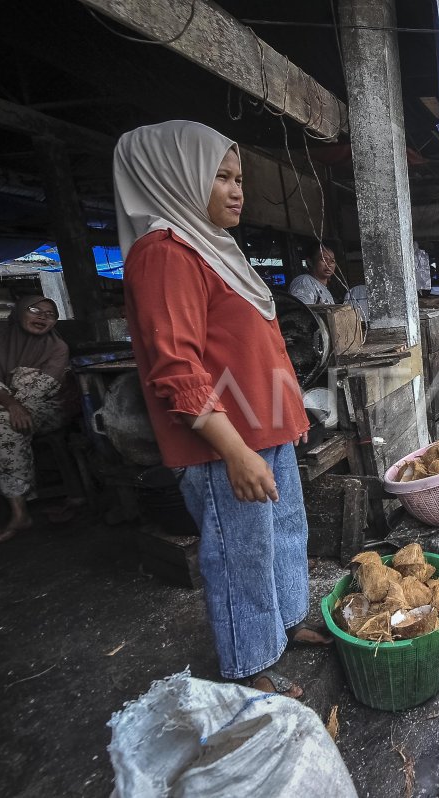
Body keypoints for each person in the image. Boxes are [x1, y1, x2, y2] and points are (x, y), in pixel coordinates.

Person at [114, 120, 330, 699]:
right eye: (223, 177)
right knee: (240, 554)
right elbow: (177, 368)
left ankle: (287, 623)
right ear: (178, 176)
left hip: (266, 429)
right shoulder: (164, 254)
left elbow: (260, 345)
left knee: (284, 532)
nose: (238, 192)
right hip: (222, 443)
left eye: (239, 179)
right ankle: (249, 661)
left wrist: (291, 414)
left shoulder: (214, 250)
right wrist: (234, 451)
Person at [0, 296, 78, 542]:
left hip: (47, 407)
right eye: (35, 309)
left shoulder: (57, 347)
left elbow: (39, 390)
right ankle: (19, 513)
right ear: (18, 312)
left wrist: (10, 401)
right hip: (2, 409)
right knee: (0, 421)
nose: (43, 316)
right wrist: (12, 404)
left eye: (51, 314)